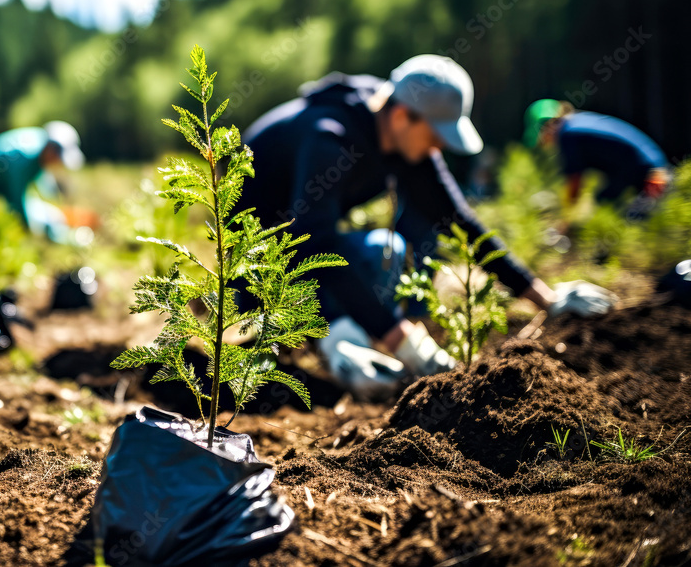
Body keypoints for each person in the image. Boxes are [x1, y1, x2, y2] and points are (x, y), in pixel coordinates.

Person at [239, 56, 617, 400]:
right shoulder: (329, 137)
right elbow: (309, 241)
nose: (439, 148)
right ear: (404, 116)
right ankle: (318, 339)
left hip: (303, 241)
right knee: (260, 363)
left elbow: (460, 220)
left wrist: (544, 297)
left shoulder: (401, 133)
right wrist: (395, 340)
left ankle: (338, 337)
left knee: (384, 253)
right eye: (436, 136)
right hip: (249, 256)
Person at [523, 99, 671, 218]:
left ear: (547, 126)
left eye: (542, 138)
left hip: (652, 177)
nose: (545, 144)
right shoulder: (576, 123)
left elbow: (574, 182)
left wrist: (565, 218)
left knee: (628, 218)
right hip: (650, 168)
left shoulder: (567, 135)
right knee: (606, 200)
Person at [0, 121, 85, 243]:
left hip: (3, 188)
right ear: (51, 150)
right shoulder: (25, 157)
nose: (58, 164)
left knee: (51, 216)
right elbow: (17, 201)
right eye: (58, 159)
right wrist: (29, 233)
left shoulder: (40, 148)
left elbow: (43, 186)